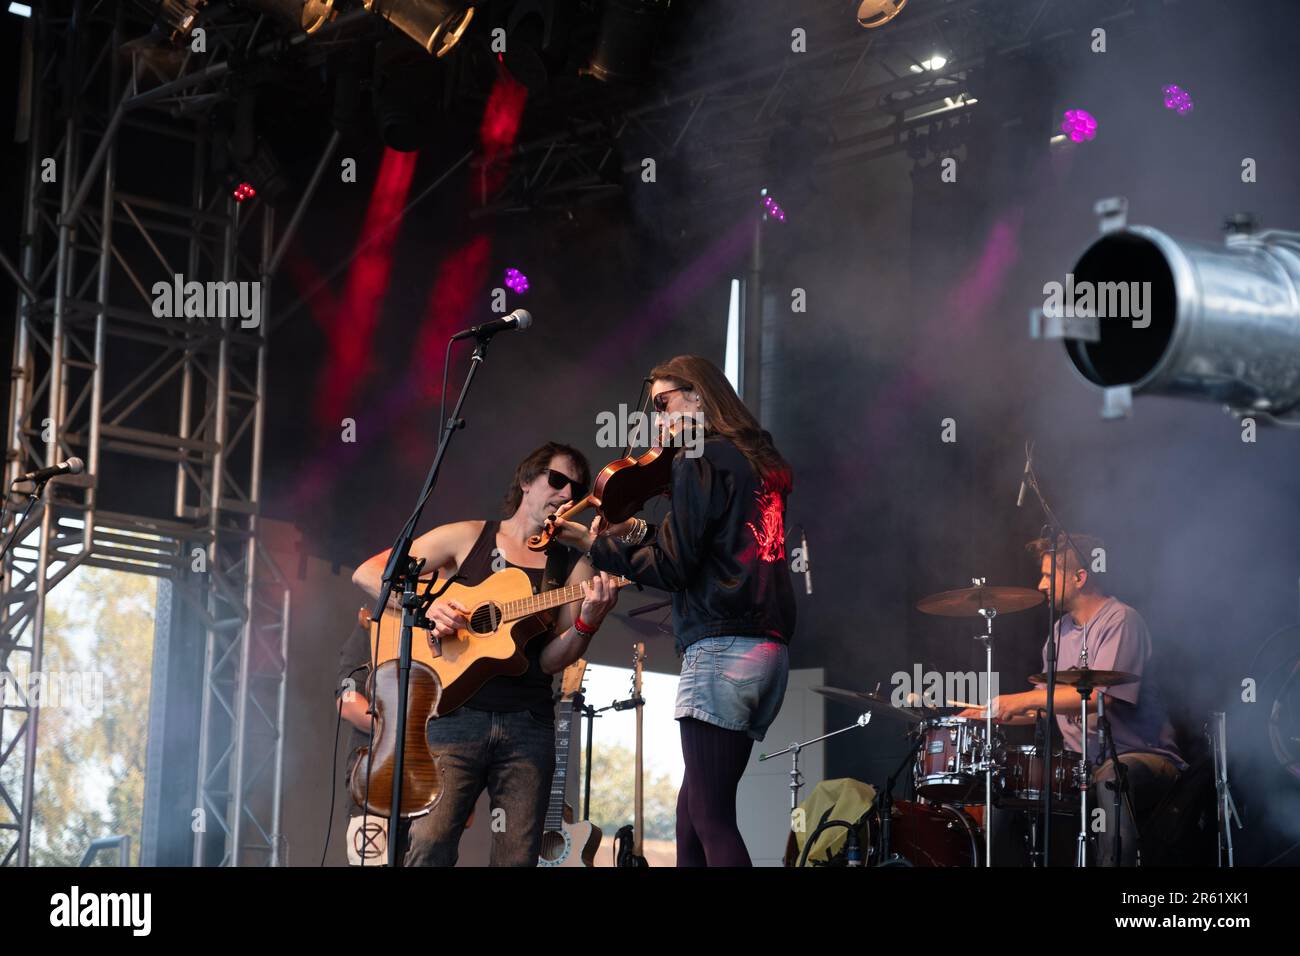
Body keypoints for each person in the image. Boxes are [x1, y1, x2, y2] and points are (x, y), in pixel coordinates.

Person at [549, 355, 796, 866]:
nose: (657, 420)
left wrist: (600, 547)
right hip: (768, 652)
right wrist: (611, 537)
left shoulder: (697, 455)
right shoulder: (758, 461)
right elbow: (705, 542)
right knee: (690, 819)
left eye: (663, 404)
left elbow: (675, 565)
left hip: (722, 649)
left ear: (699, 396)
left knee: (712, 820)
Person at [340, 441, 619, 866]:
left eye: (575, 489)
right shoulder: (469, 536)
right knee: (430, 843)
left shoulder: (571, 568)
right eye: (557, 480)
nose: (565, 494)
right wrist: (426, 605)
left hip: (528, 724)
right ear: (527, 481)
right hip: (453, 719)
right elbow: (369, 572)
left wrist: (588, 623)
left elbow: (549, 661)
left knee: (517, 857)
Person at [960, 533, 1184, 865]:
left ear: (1080, 577)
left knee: (1112, 776)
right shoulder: (1059, 632)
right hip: (1081, 766)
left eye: (1049, 575)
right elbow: (1041, 706)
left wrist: (1014, 701)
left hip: (1143, 757)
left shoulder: (1121, 620)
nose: (1040, 584)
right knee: (1003, 784)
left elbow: (1099, 697)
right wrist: (990, 713)